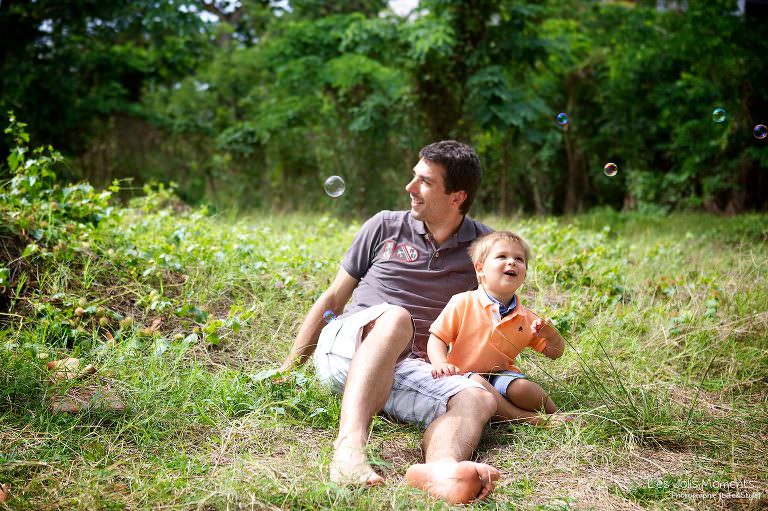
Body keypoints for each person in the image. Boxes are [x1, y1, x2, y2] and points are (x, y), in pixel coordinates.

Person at [279, 140, 501, 504]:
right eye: (414, 177)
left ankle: (441, 469)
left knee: (477, 398)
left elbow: (491, 321)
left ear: (457, 197)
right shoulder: (384, 226)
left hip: (408, 366)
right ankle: (349, 450)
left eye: (425, 182)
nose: (410, 188)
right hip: (349, 345)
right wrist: (289, 368)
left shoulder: (485, 247)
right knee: (397, 316)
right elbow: (334, 299)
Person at [428, 231, 566, 426]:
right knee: (477, 382)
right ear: (480, 269)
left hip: (501, 375)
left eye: (519, 259)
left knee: (523, 387)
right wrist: (440, 362)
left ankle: (559, 415)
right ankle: (529, 419)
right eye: (502, 256)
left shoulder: (526, 318)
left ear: (524, 273)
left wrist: (552, 335)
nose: (512, 262)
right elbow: (437, 338)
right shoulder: (462, 302)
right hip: (463, 376)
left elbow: (555, 353)